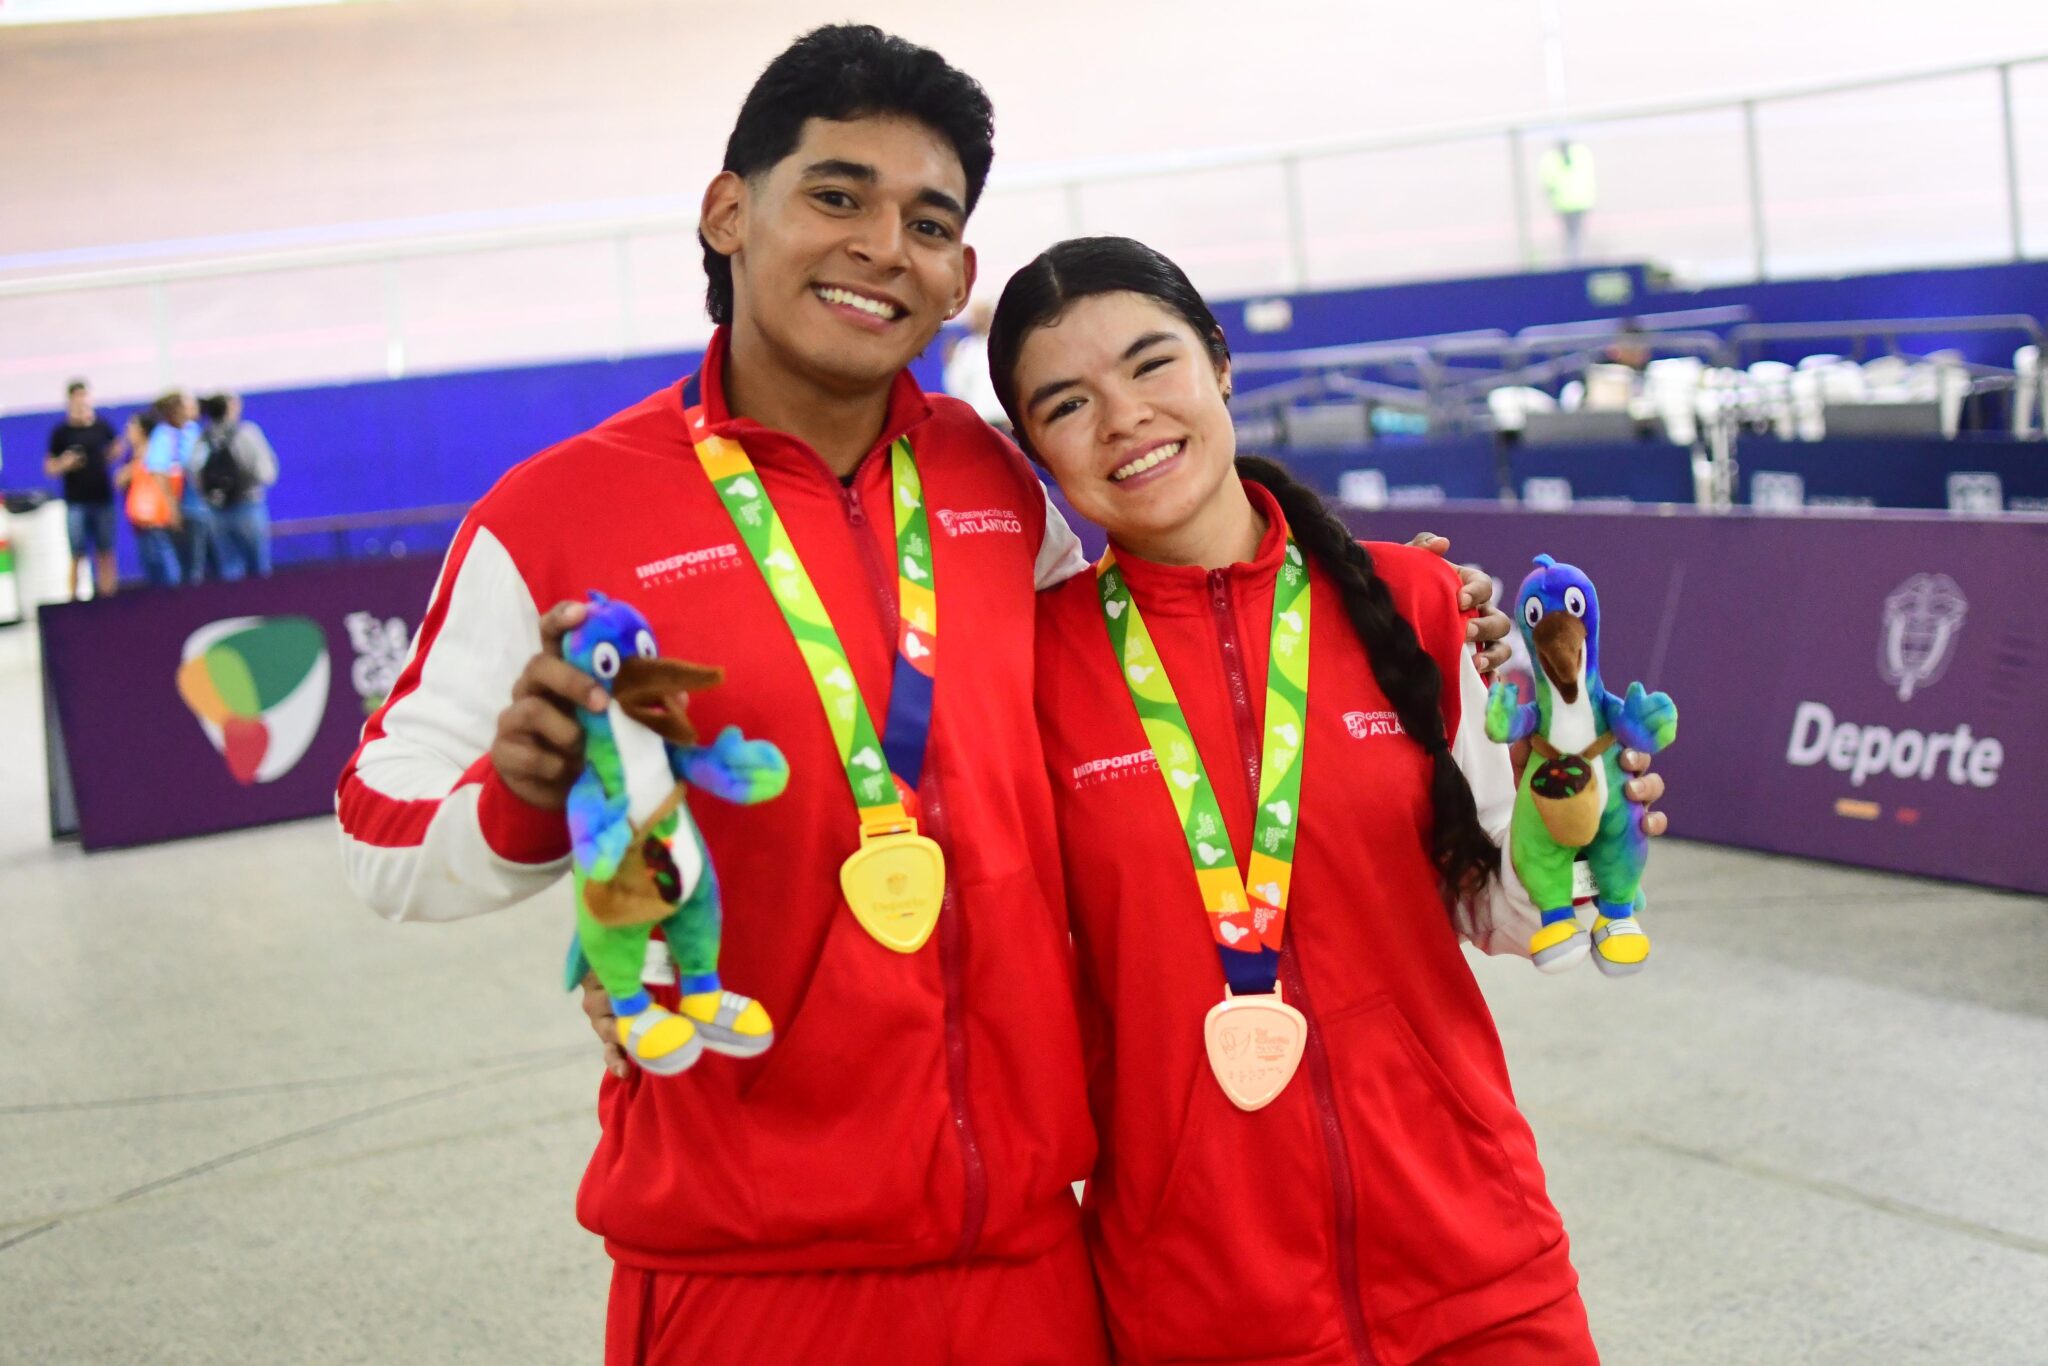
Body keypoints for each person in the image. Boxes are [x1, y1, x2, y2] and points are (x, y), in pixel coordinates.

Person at [338, 28, 1517, 1363]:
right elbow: (381, 832)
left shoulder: (1002, 487)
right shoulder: (560, 511)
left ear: (959, 277)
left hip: (1029, 1265)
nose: (882, 247)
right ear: (728, 211)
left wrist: (1406, 611)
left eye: (929, 222)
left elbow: (1180, 654)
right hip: (742, 1272)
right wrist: (523, 796)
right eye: (837, 195)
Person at [992, 237, 1667, 1364]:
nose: (1123, 418)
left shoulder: (1412, 598)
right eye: (1067, 403)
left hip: (1476, 1267)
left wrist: (1578, 821)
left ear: (1219, 363)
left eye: (1152, 364)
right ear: (1034, 450)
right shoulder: (1030, 667)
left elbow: (1503, 911)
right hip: (1203, 1303)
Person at [44, 379, 122, 598]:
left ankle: (108, 595)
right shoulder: (62, 432)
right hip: (76, 500)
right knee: (77, 552)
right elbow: (49, 467)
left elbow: (117, 446)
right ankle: (74, 597)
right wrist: (64, 463)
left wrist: (107, 458)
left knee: (105, 550)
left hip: (102, 498)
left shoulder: (101, 426)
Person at [196, 392, 278, 579]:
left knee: (229, 567)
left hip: (216, 508)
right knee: (258, 565)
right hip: (248, 503)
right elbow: (264, 470)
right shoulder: (247, 433)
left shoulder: (203, 438)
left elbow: (194, 470)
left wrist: (209, 495)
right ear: (230, 408)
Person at [147, 391, 214, 585]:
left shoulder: (193, 430)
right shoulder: (163, 435)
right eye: (188, 405)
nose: (194, 408)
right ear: (176, 411)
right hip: (185, 509)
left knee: (210, 562)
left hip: (204, 506)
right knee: (191, 565)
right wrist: (172, 508)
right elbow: (159, 472)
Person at [117, 409, 181, 588]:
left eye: (131, 427)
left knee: (163, 557)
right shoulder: (132, 455)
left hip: (157, 517)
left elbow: (167, 480)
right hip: (139, 519)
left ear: (142, 430)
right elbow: (120, 481)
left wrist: (171, 509)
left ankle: (174, 595)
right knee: (149, 561)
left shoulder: (155, 453)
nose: (128, 431)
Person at [941, 300, 1008, 432]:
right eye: (976, 316)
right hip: (980, 421)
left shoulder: (1004, 345)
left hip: (1004, 420)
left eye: (982, 315)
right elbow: (956, 385)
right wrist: (949, 364)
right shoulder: (966, 348)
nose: (979, 320)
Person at [1540, 137, 1597, 266]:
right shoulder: (1581, 154)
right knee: (1574, 233)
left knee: (1572, 233)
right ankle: (1574, 258)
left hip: (1570, 203)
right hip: (1576, 202)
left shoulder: (1552, 159)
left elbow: (1548, 185)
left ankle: (1574, 259)